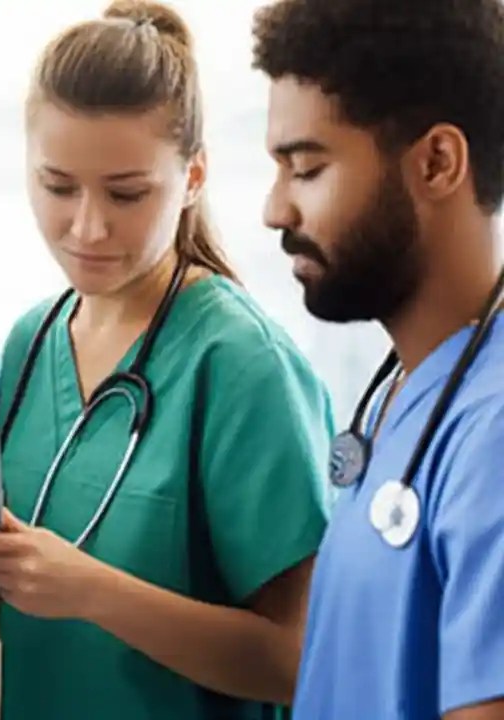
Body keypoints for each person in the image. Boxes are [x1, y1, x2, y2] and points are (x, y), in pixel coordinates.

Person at [0, 2, 335, 718]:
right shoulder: (32, 341)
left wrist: (93, 589)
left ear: (195, 176)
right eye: (57, 186)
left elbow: (303, 658)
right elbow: (12, 615)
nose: (86, 226)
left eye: (127, 193)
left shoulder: (239, 364)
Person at [253, 0, 504, 717]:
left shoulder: (492, 436)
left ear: (437, 162)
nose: (275, 210)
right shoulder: (406, 393)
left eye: (306, 168)